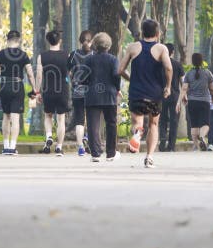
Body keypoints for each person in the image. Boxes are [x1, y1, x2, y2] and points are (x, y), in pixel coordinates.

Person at [118, 19, 172, 169]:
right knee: (154, 124)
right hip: (155, 93)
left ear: (142, 32)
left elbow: (120, 70)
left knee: (138, 122)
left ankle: (137, 133)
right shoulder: (161, 49)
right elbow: (168, 68)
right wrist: (167, 87)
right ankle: (149, 157)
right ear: (158, 33)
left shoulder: (133, 47)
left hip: (137, 92)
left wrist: (131, 79)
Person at [0, 30, 37, 155]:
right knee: (15, 117)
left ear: (7, 40)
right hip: (18, 86)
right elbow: (30, 73)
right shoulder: (23, 55)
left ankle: (5, 146)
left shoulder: (0, 54)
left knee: (6, 116)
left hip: (4, 86)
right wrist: (35, 89)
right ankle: (12, 147)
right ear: (19, 40)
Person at [83, 33, 121, 162]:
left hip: (92, 95)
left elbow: (83, 77)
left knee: (93, 125)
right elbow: (116, 75)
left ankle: (95, 153)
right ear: (108, 45)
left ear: (95, 45)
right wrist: (118, 89)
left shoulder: (88, 59)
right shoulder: (113, 59)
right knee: (111, 123)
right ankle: (111, 153)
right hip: (109, 94)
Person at [37, 31, 70, 156]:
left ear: (48, 41)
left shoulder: (42, 56)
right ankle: (59, 147)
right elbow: (70, 73)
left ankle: (49, 136)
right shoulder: (66, 55)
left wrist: (37, 91)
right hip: (62, 89)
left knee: (48, 115)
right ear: (59, 41)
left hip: (48, 89)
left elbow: (39, 75)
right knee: (61, 118)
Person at [181, 53, 213, 151]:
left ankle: (196, 146)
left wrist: (183, 98)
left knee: (194, 124)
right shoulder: (207, 73)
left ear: (192, 61)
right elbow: (212, 89)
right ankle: (202, 136)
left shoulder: (188, 73)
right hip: (204, 102)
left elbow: (184, 88)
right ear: (201, 61)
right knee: (205, 124)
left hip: (192, 102)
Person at [68, 30, 93, 156]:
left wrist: (72, 81)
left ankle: (81, 148)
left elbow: (68, 72)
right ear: (91, 41)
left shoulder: (73, 54)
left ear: (80, 41)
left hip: (77, 90)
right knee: (91, 117)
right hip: (92, 91)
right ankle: (88, 137)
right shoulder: (94, 54)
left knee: (79, 119)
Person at [159, 43, 184, 152]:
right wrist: (185, 95)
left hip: (161, 95)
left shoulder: (159, 65)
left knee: (162, 118)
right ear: (173, 52)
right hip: (175, 96)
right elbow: (183, 81)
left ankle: (163, 137)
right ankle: (171, 146)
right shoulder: (177, 64)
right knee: (174, 120)